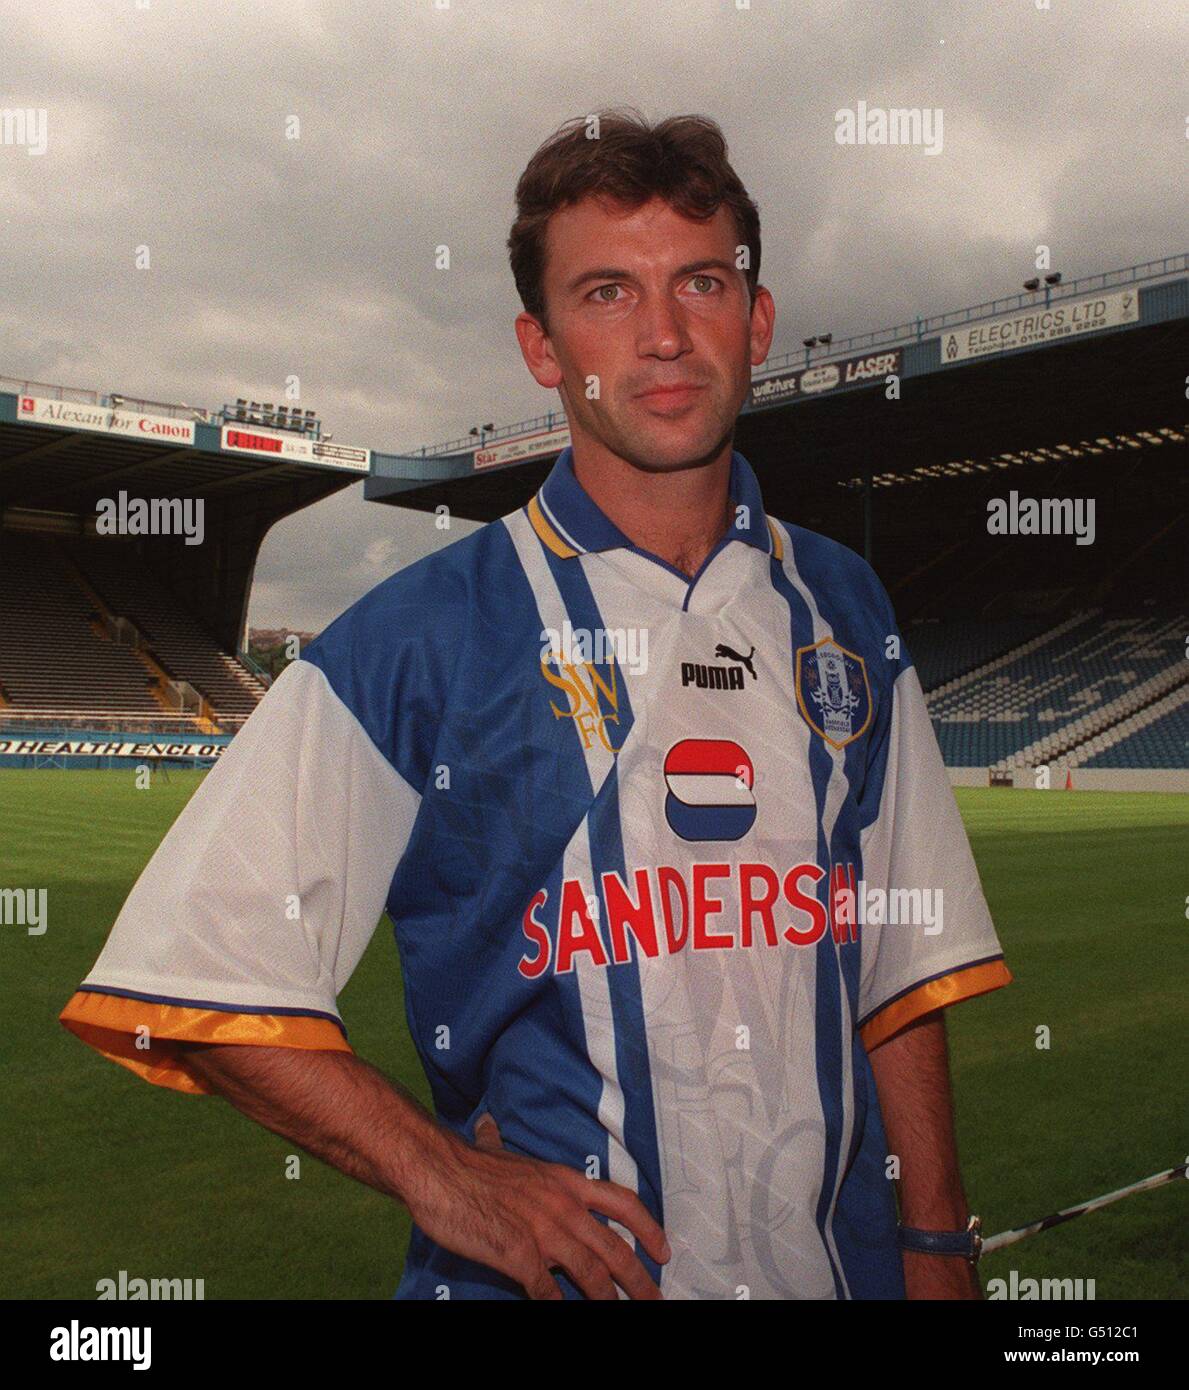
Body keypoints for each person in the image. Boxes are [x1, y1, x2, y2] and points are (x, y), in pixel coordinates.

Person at [60, 108, 1011, 1300]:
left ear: (756, 319)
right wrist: (443, 1178)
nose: (664, 335)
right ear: (542, 346)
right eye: (608, 292)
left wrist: (935, 1240)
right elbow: (192, 969)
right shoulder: (423, 637)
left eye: (701, 283)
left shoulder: (843, 603)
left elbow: (900, 961)